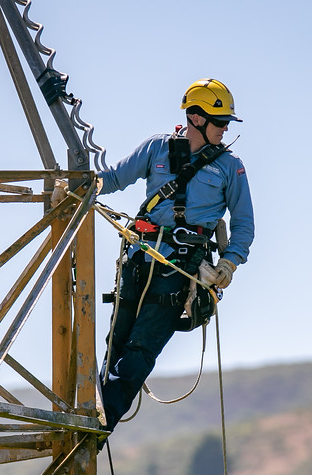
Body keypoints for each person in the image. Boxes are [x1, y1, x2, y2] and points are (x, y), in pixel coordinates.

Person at [97, 78, 254, 434]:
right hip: (139, 260)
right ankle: (92, 422)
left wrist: (228, 263)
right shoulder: (157, 149)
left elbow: (244, 225)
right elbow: (115, 178)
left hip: (180, 271)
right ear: (197, 118)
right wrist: (83, 184)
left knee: (138, 352)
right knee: (115, 346)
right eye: (219, 121)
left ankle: (97, 430)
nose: (225, 128)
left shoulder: (231, 167)